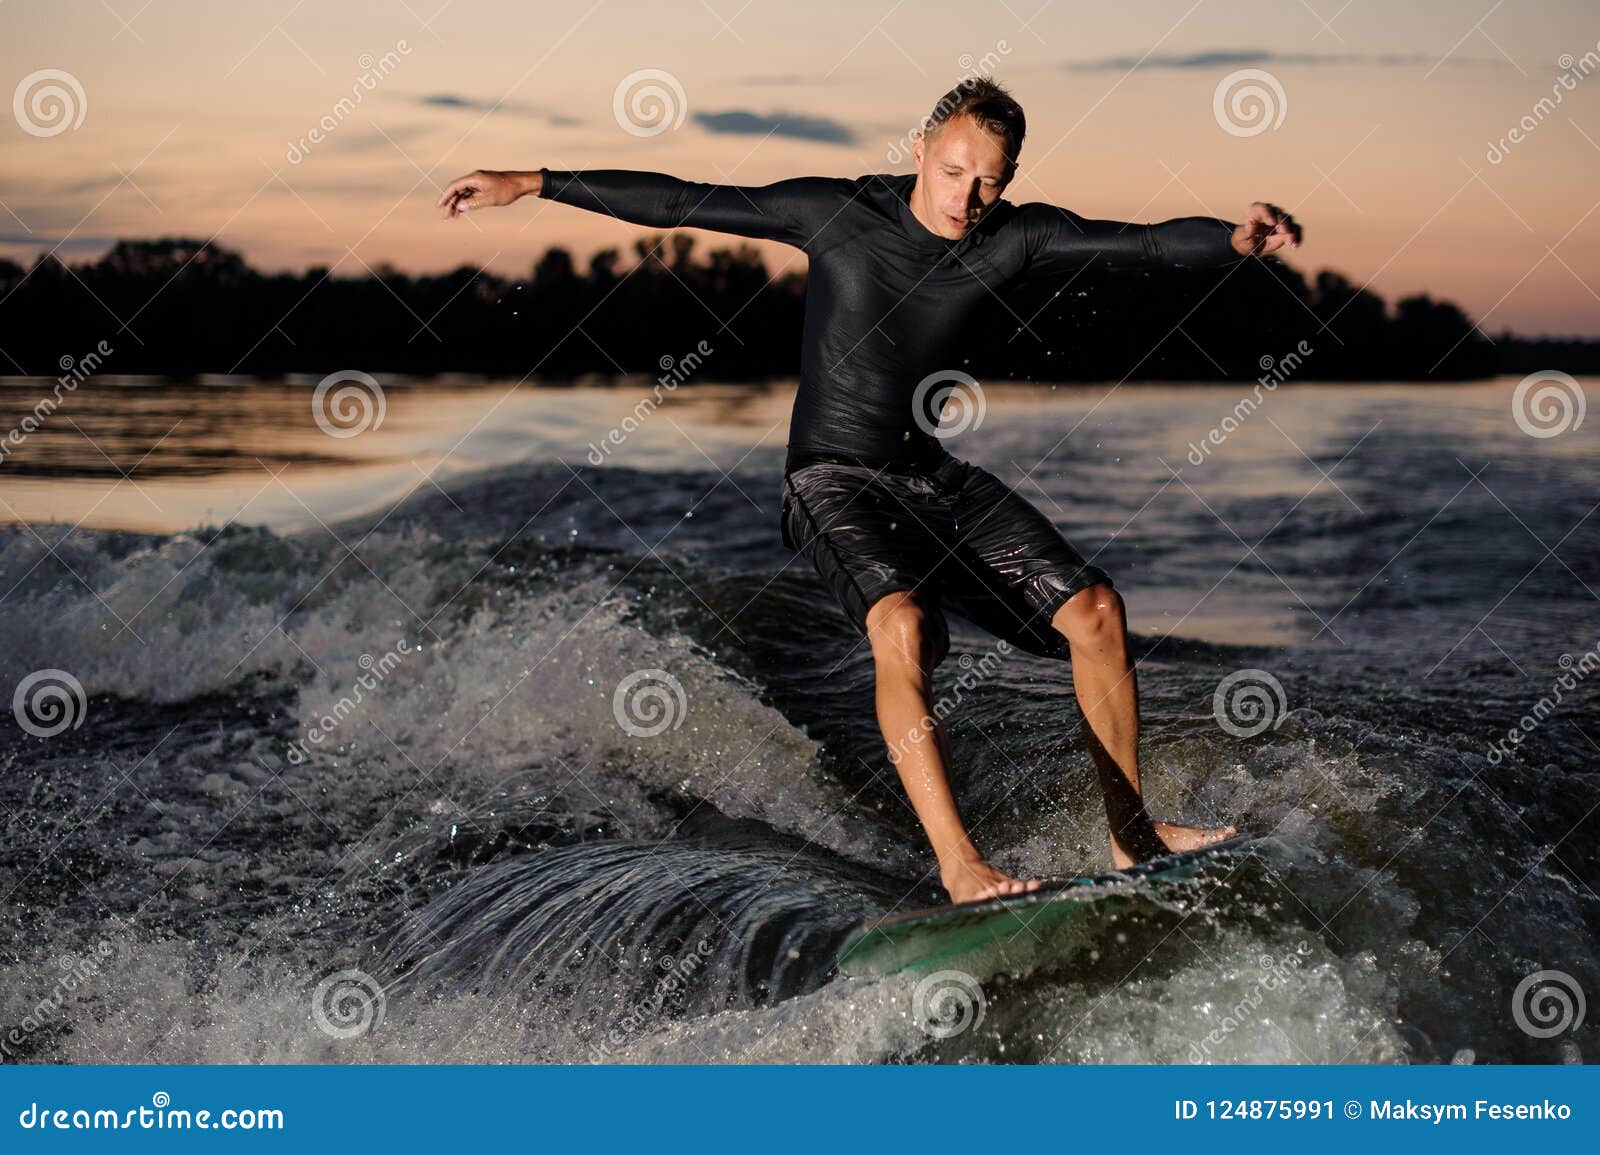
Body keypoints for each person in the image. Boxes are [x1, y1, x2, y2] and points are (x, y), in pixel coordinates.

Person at [437, 77, 1303, 905]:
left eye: (988, 185)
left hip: (930, 476)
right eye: (954, 171)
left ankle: (1132, 837)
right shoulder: (842, 215)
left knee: (1099, 613)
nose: (966, 199)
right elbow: (683, 199)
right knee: (902, 624)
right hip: (830, 478)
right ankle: (962, 865)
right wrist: (531, 182)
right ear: (921, 148)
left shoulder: (1010, 238)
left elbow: (1141, 245)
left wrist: (1231, 239)